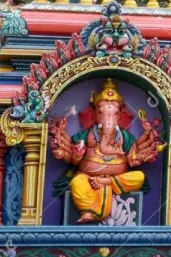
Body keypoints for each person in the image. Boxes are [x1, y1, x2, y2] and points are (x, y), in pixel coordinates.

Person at [49, 78, 160, 223]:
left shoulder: (125, 138)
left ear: (120, 116)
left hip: (116, 179)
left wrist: (135, 157)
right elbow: (74, 161)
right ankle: (90, 210)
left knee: (139, 177)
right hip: (88, 178)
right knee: (77, 182)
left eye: (114, 113)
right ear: (94, 114)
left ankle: (106, 181)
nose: (108, 118)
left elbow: (132, 159)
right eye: (101, 113)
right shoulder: (85, 136)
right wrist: (77, 156)